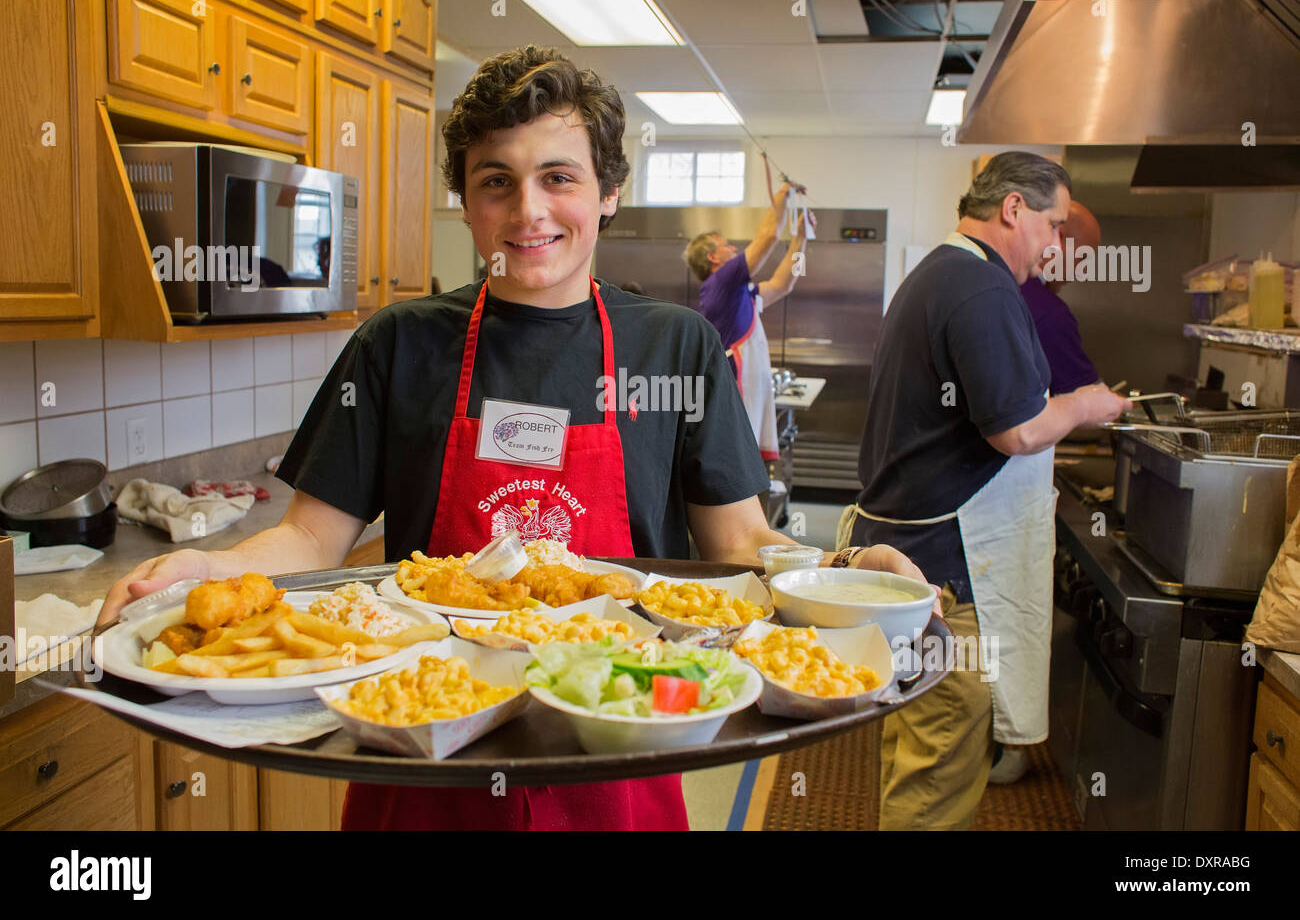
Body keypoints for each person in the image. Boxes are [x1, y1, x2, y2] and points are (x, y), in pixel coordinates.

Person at [99, 45, 924, 831]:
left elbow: (740, 542)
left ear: (607, 192)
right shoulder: (400, 343)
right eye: (498, 181)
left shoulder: (673, 346)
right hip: (426, 741)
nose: (528, 211)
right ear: (466, 199)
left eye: (558, 178)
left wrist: (843, 574)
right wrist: (212, 567)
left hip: (616, 741)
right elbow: (308, 537)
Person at [842, 152, 1131, 829]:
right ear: (1013, 211)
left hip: (907, 558)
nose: (1056, 246)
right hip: (948, 570)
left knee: (916, 741)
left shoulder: (940, 273)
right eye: (1054, 226)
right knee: (943, 753)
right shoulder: (980, 286)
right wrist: (1085, 403)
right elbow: (1019, 429)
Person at [684, 188, 809, 460]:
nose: (734, 249)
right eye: (726, 245)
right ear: (712, 258)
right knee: (738, 460)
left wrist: (801, 239)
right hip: (736, 386)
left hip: (750, 385)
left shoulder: (739, 293)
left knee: (746, 459)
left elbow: (784, 284)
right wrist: (783, 195)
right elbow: (769, 236)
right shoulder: (720, 283)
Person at [1019, 201, 1103, 394]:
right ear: (1058, 238)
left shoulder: (995, 277)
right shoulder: (1047, 312)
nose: (1081, 273)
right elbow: (1085, 397)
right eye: (1083, 258)